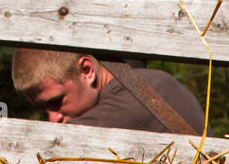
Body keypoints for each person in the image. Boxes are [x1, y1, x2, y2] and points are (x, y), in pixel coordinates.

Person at [11, 48, 208, 134]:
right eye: (43, 108)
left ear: (86, 70)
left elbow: (52, 150)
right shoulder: (140, 84)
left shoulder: (140, 95)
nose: (54, 119)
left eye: (56, 101)